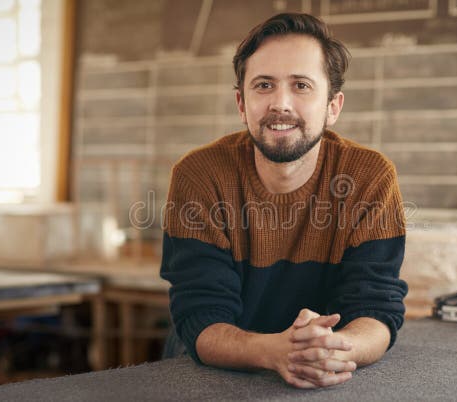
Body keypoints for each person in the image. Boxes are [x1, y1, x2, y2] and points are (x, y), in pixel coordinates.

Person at [159, 12, 408, 389]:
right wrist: (275, 350)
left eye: (301, 86)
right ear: (242, 104)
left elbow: (375, 307)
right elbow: (201, 318)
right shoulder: (199, 175)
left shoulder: (370, 177)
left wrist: (337, 347)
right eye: (264, 85)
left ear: (333, 106)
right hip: (207, 376)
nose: (281, 104)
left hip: (320, 371)